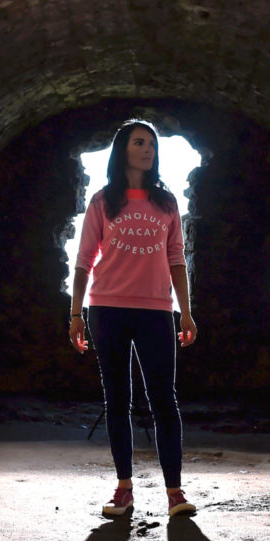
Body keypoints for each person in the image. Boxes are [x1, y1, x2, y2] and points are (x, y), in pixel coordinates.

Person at [69, 120, 198, 519]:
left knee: (164, 401)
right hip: (106, 309)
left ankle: (174, 492)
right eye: (139, 142)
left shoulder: (166, 203)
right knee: (118, 401)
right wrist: (76, 314)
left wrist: (186, 311)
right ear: (123, 148)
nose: (147, 150)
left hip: (157, 311)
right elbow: (83, 261)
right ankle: (123, 490)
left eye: (151, 145)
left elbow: (177, 258)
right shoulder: (103, 202)